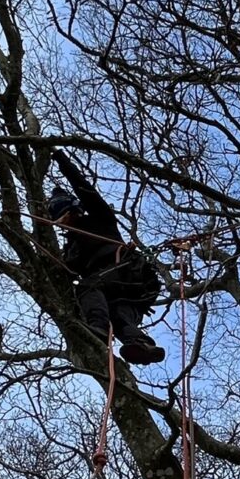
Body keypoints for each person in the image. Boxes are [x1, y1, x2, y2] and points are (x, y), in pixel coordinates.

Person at [46, 151, 167, 366]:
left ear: (74, 209)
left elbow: (85, 190)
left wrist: (63, 162)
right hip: (118, 293)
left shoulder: (100, 219)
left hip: (127, 274)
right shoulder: (72, 249)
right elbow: (65, 271)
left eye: (66, 216)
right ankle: (140, 344)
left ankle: (98, 329)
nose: (65, 223)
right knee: (118, 315)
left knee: (87, 287)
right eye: (60, 221)